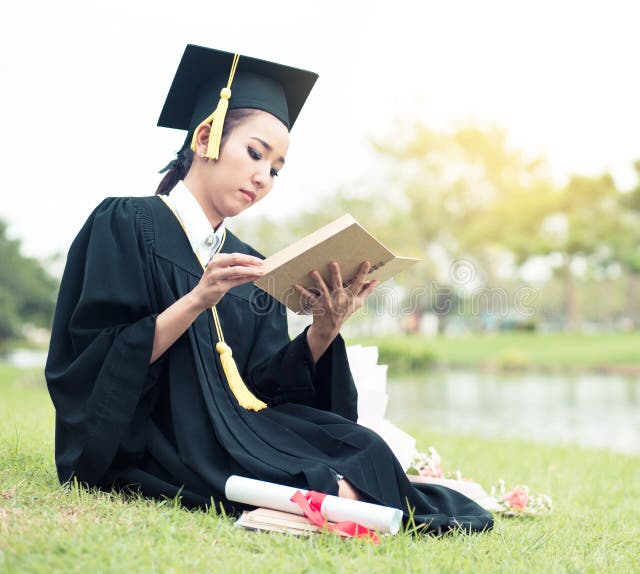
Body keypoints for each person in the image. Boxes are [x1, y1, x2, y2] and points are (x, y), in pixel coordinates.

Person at [45, 44, 493, 534]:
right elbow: (95, 358)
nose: (262, 177)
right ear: (206, 137)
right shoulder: (127, 222)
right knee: (330, 483)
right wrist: (198, 298)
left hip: (243, 429)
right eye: (255, 153)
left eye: (276, 169)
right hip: (166, 437)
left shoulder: (246, 262)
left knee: (364, 449)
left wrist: (323, 329)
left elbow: (261, 388)